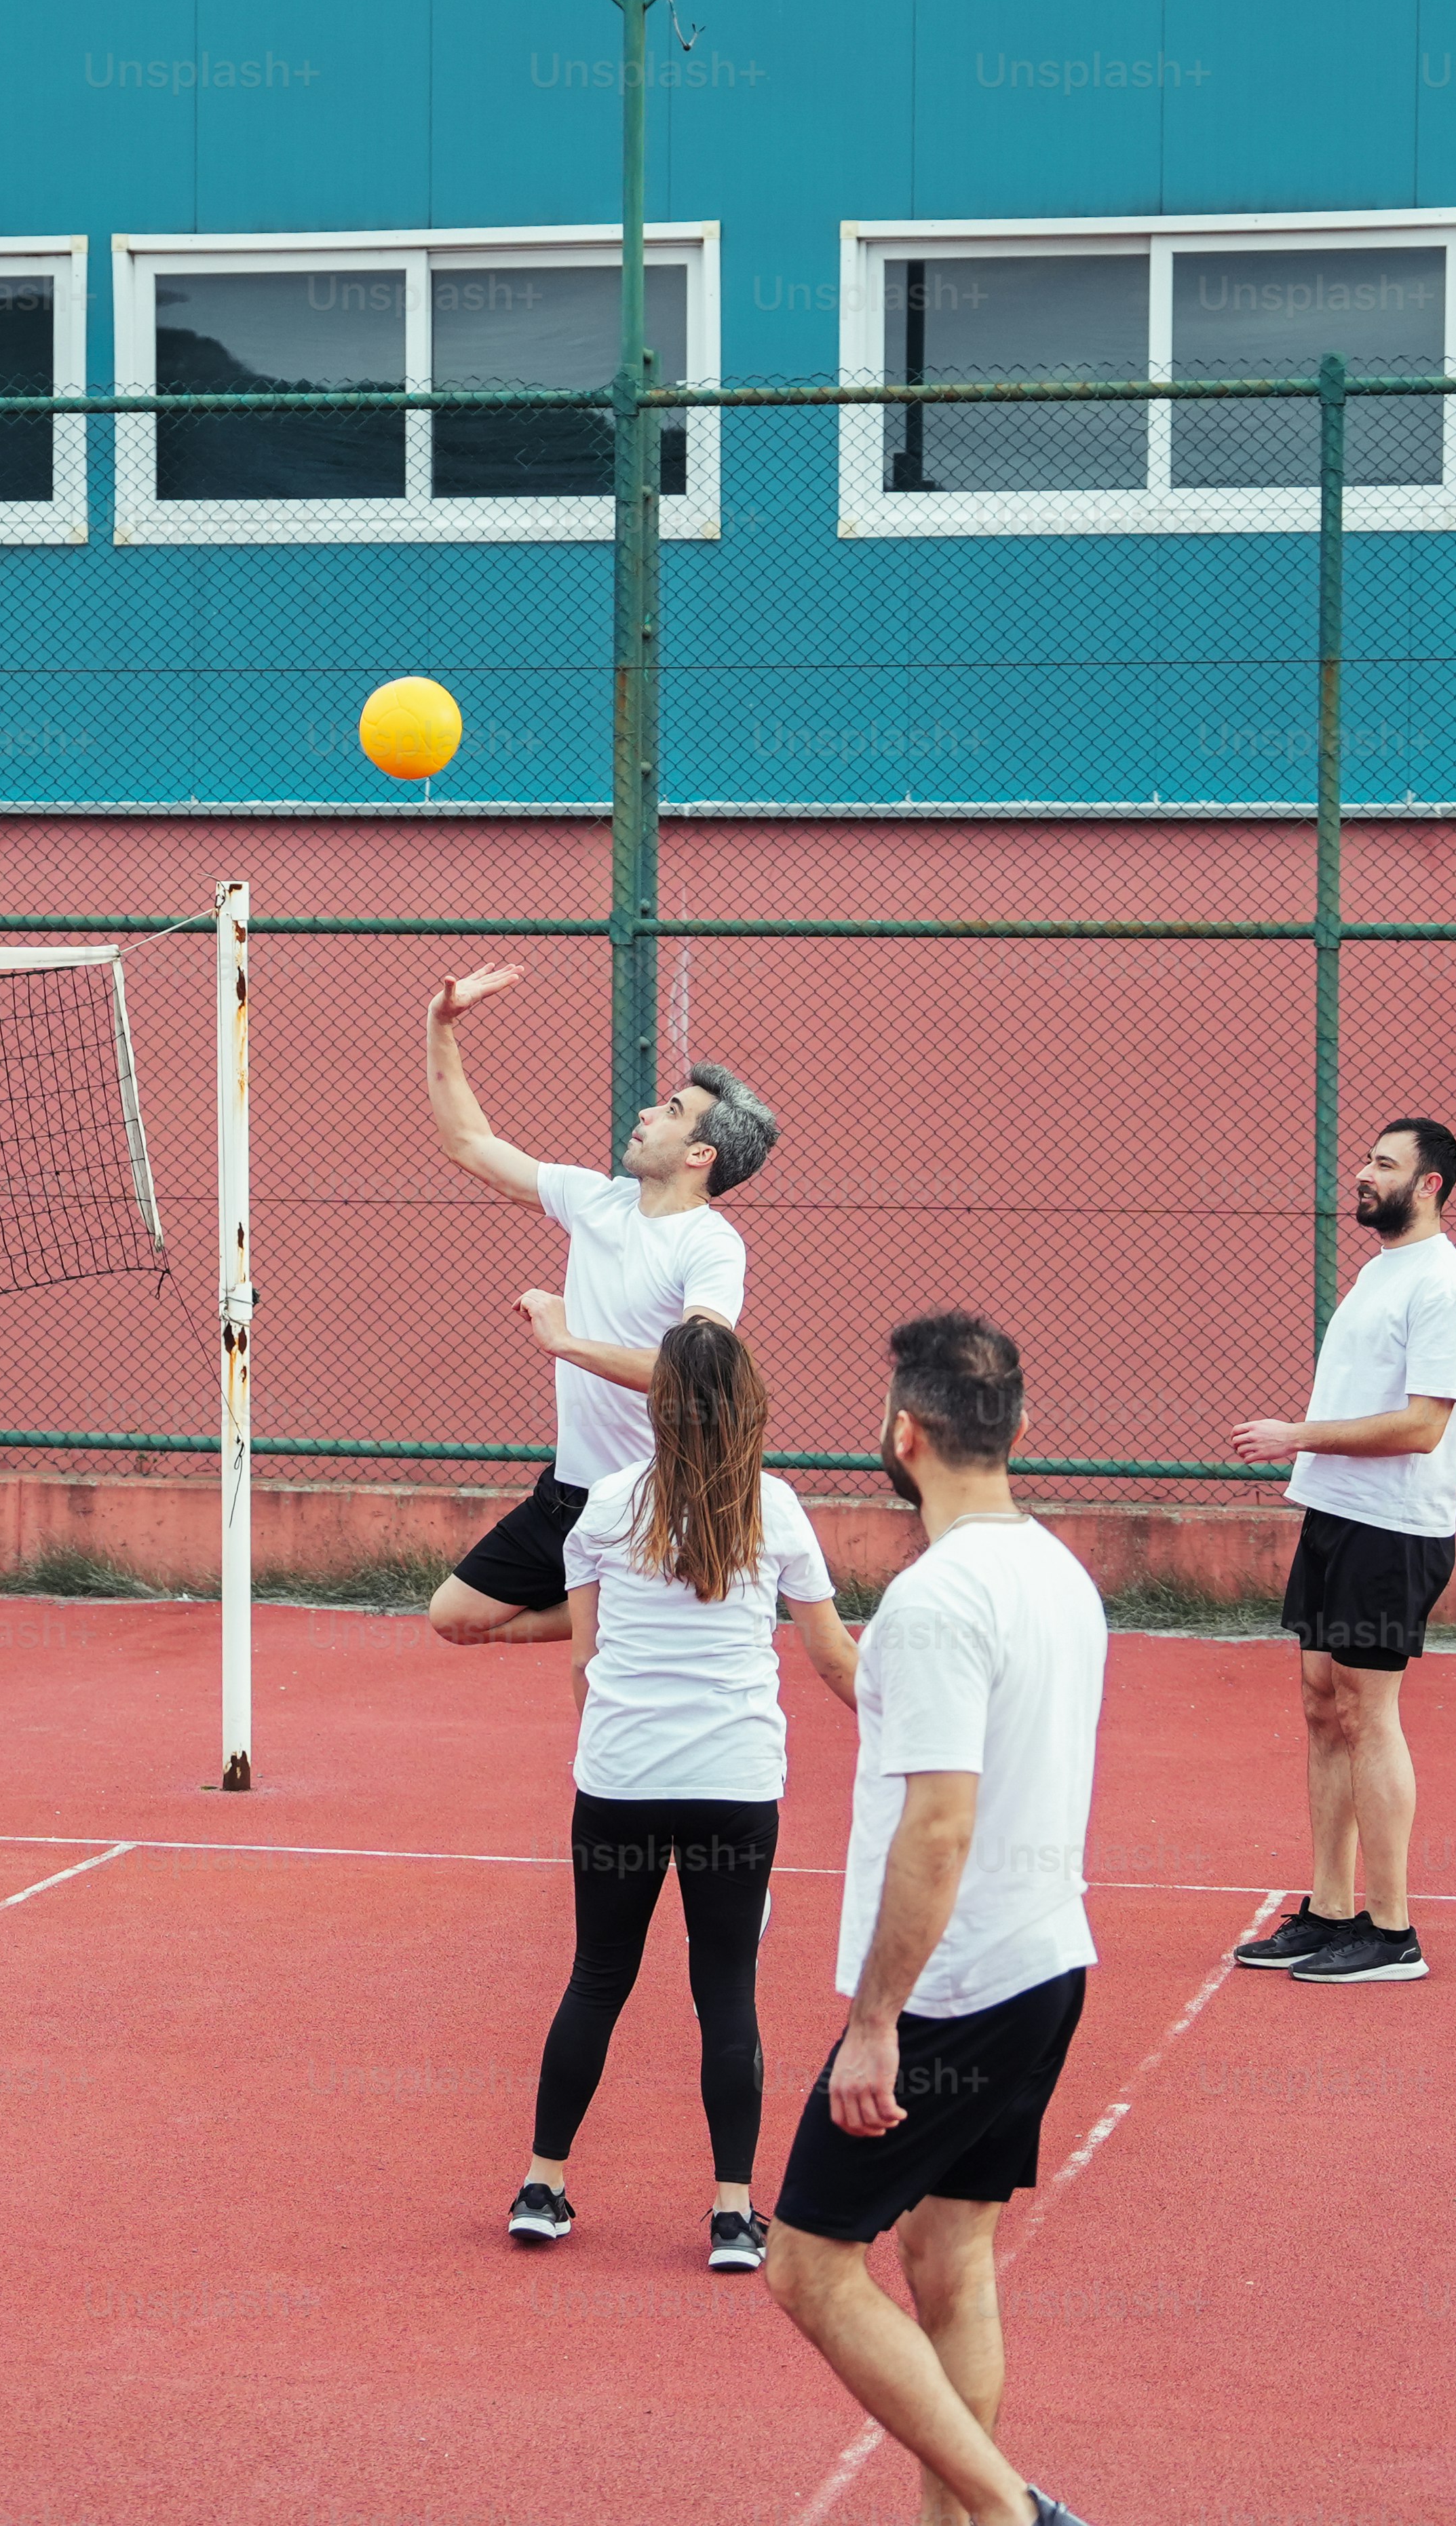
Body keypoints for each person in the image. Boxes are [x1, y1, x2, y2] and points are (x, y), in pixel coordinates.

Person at [764, 1315, 1111, 2526]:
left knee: (808, 2266)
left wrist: (876, 2023)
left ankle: (1011, 2512)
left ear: (903, 1437)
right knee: (946, 2263)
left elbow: (940, 1829)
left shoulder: (934, 1599)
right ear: (1016, 1432)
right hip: (1047, 1961)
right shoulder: (1058, 1575)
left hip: (957, 1992)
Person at [511, 1318, 862, 2274]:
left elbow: (586, 1661)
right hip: (733, 1784)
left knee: (596, 1977)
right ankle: (733, 2215)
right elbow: (832, 1655)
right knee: (725, 1991)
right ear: (748, 1405)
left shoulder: (609, 1506)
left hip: (619, 1779)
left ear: (655, 1405)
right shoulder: (776, 1508)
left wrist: (617, 1740)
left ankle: (541, 2187)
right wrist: (920, 1727)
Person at [419, 963, 777, 1648]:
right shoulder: (598, 1201)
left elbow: (699, 1370)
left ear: (701, 1152)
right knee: (455, 1617)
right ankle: (620, 1613)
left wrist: (565, 1341)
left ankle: (623, 1618)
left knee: (599, 1676)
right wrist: (441, 1026)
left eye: (671, 1111)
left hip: (657, 1498)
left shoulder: (711, 1247)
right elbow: (469, 1144)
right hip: (570, 1492)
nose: (647, 1114)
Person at [1227, 1118, 1456, 1986]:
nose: (1365, 1175)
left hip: (1395, 1527)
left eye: (1385, 1165)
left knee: (1369, 1714)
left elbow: (1423, 1426)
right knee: (1320, 1703)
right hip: (1337, 1512)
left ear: (1432, 1184)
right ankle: (1331, 1909)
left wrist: (1296, 1434)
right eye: (1368, 1160)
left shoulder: (1447, 1287)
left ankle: (1393, 1932)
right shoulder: (1383, 1270)